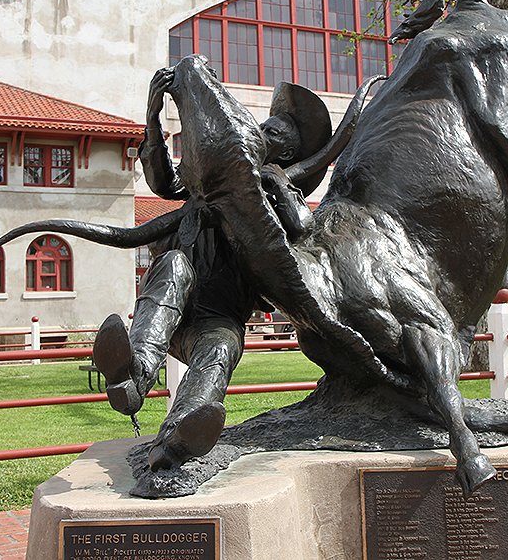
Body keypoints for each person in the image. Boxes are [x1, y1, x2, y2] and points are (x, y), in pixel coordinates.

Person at [92, 66, 332, 471]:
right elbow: (163, 182)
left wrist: (276, 185)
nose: (258, 135)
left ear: (287, 154)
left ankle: (178, 441)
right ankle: (133, 376)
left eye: (271, 134)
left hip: (218, 317)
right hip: (171, 305)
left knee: (221, 348)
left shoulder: (272, 195)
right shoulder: (209, 178)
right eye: (261, 127)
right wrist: (153, 114)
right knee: (174, 266)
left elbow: (303, 229)